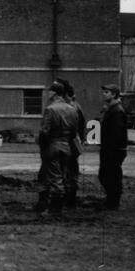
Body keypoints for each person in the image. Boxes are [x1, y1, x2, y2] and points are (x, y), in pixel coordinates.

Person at [34, 80, 81, 215]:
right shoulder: (72, 109)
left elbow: (44, 131)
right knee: (63, 174)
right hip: (67, 146)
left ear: (54, 93)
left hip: (53, 145)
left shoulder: (50, 109)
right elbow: (74, 131)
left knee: (55, 177)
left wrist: (43, 146)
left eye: (50, 91)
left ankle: (55, 209)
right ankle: (61, 204)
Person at [98, 83, 128, 209]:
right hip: (110, 148)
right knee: (106, 175)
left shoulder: (117, 111)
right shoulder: (112, 109)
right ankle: (111, 200)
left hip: (113, 150)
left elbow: (116, 133)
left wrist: (110, 147)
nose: (104, 94)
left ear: (114, 94)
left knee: (111, 175)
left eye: (107, 92)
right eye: (104, 92)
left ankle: (113, 202)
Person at [61, 79, 86, 207]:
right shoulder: (76, 105)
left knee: (69, 171)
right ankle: (70, 197)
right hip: (73, 143)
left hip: (69, 144)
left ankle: (69, 198)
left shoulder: (71, 107)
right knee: (71, 171)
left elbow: (75, 127)